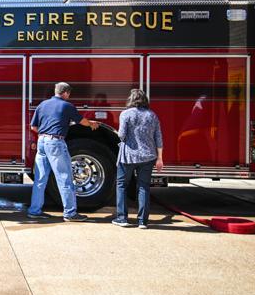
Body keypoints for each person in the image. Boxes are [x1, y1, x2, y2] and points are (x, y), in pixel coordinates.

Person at [28, 82, 98, 221]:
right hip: (55, 143)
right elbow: (81, 121)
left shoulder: (43, 105)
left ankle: (34, 210)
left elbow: (33, 126)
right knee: (64, 178)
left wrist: (44, 134)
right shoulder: (67, 106)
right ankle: (70, 213)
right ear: (66, 93)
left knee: (40, 179)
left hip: (42, 141)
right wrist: (91, 124)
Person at [112, 89, 163, 229]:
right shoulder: (152, 115)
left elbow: (121, 135)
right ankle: (143, 222)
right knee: (143, 187)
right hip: (148, 156)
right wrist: (160, 158)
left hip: (128, 156)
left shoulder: (126, 114)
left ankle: (122, 218)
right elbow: (158, 137)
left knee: (122, 185)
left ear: (131, 99)